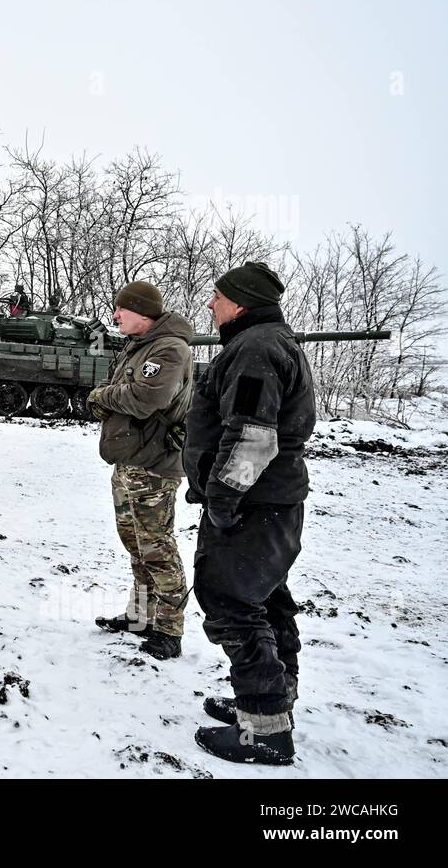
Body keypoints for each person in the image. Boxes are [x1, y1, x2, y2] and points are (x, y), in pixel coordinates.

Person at [185, 262, 314, 765]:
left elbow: (252, 436)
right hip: (271, 502)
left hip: (252, 505)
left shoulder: (256, 349)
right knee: (264, 597)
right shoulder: (267, 341)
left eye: (216, 297)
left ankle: (265, 730)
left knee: (231, 603)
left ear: (239, 302)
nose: (211, 306)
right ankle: (270, 703)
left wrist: (221, 499)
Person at [86, 281, 194, 661]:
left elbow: (147, 398)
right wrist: (112, 396)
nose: (114, 316)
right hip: (131, 460)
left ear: (142, 312)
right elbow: (128, 390)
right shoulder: (141, 346)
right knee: (136, 546)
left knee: (157, 547)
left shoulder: (169, 348)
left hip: (153, 464)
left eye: (121, 309)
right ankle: (141, 617)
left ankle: (168, 628)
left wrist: (101, 396)